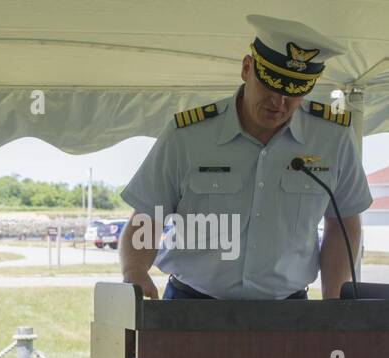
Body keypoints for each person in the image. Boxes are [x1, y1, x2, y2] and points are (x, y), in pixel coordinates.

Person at [121, 14, 372, 301]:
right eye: (271, 84)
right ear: (246, 68)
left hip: (287, 310)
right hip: (192, 304)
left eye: (294, 91)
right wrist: (134, 269)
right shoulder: (188, 136)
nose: (280, 102)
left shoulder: (333, 139)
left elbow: (343, 222)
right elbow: (148, 214)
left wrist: (333, 303)